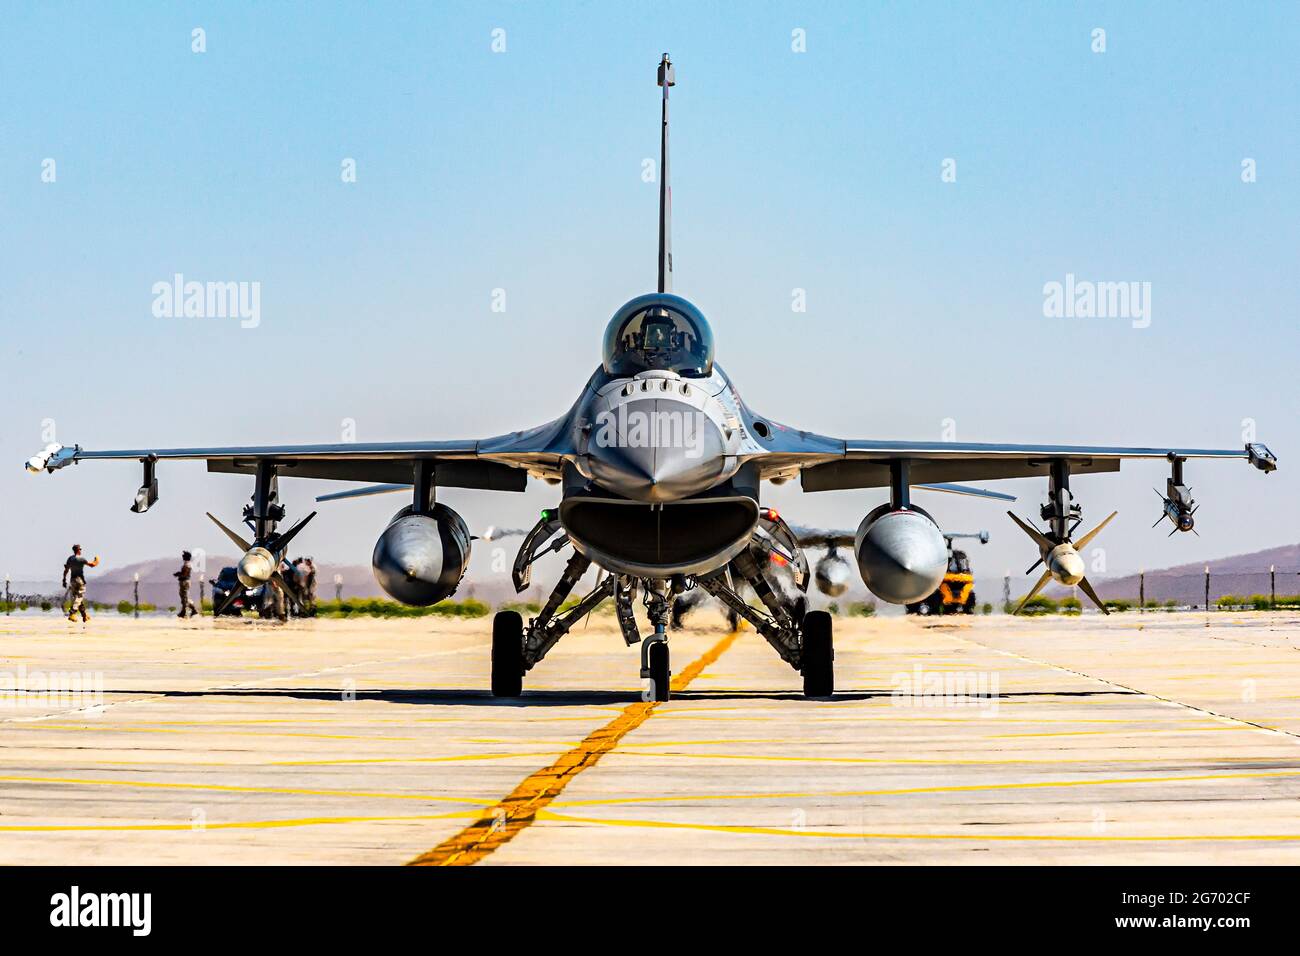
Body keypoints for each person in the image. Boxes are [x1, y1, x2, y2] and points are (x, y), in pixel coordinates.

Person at [62, 544, 99, 623]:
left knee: (79, 599)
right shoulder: (81, 559)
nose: (81, 551)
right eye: (80, 549)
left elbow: (66, 570)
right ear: (78, 550)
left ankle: (84, 615)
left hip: (72, 581)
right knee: (79, 596)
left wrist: (64, 580)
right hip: (79, 580)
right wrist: (97, 560)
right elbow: (92, 565)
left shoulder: (70, 559)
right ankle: (72, 613)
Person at [173, 550, 200, 618]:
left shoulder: (187, 564)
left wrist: (178, 574)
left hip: (184, 582)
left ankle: (192, 610)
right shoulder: (187, 564)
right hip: (184, 581)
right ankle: (184, 612)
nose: (182, 556)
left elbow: (185, 574)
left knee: (185, 598)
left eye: (183, 555)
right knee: (183, 597)